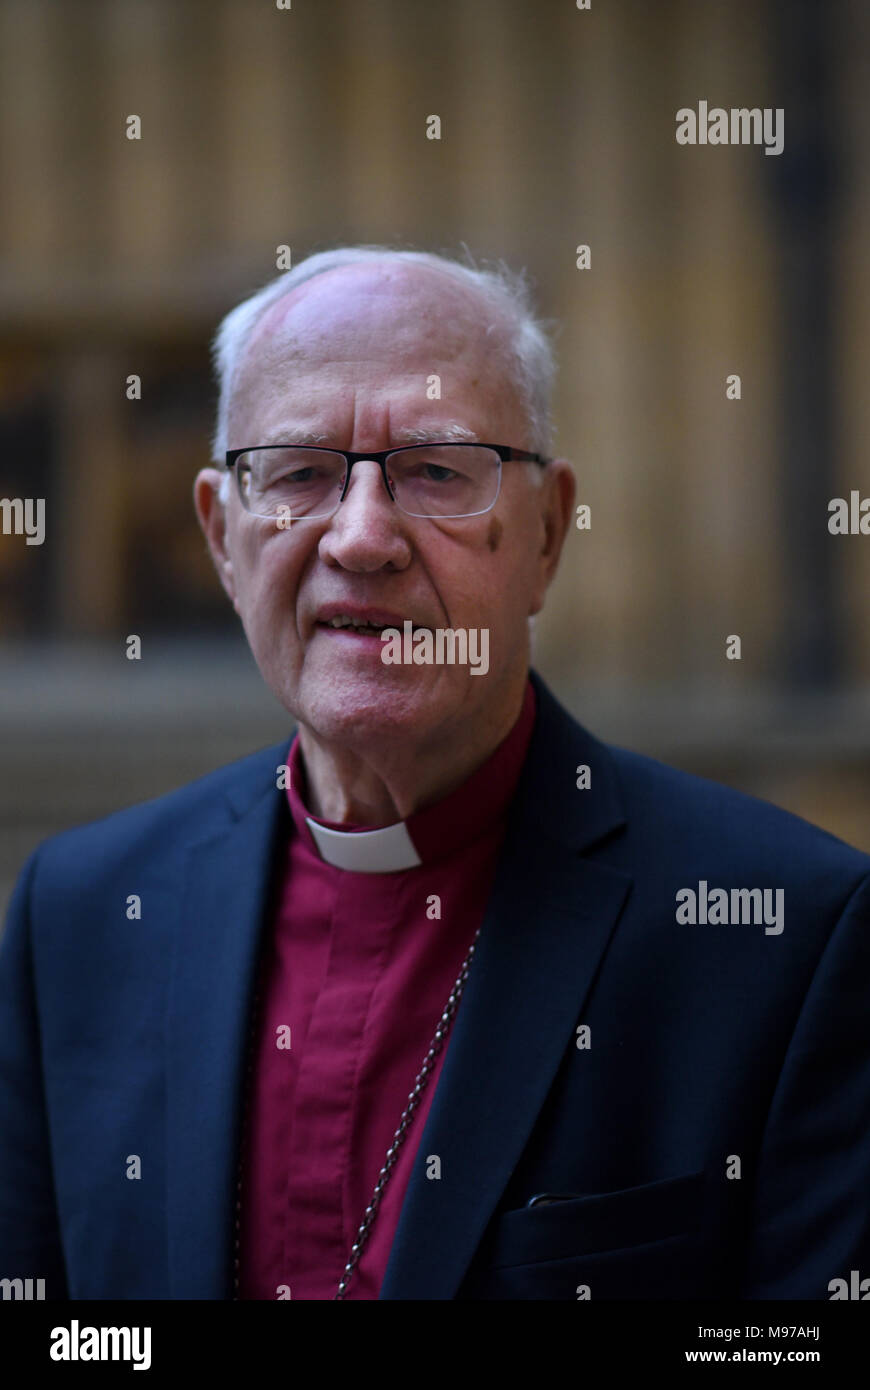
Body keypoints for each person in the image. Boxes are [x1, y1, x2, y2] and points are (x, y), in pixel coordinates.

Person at [1, 246, 868, 1302]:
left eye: (438, 470)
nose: (363, 538)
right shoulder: (82, 917)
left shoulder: (786, 935)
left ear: (546, 533)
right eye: (301, 472)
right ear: (222, 536)